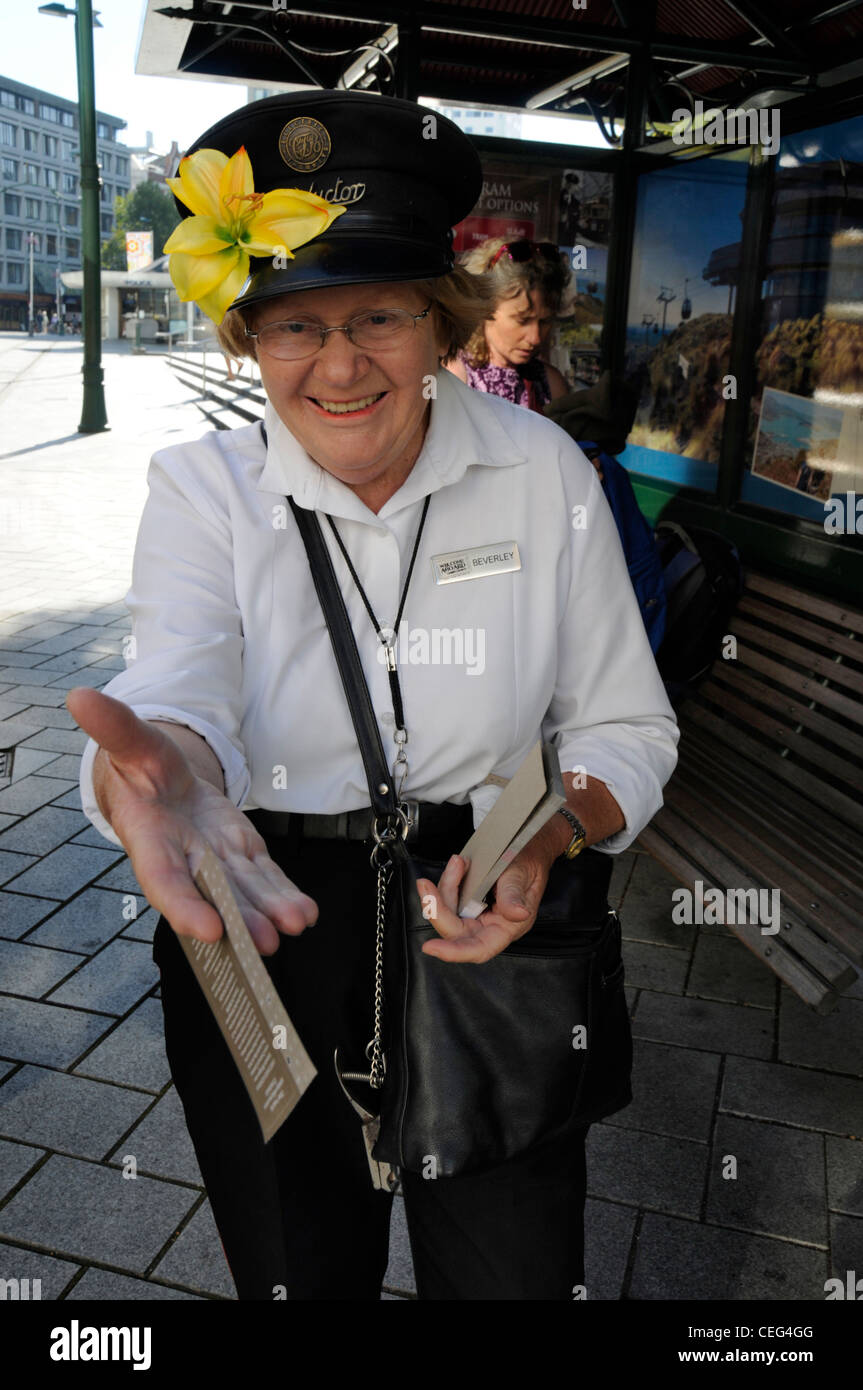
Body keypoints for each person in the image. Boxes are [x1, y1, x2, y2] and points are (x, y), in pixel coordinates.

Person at [68, 91, 678, 1302]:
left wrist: (553, 830)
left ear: (438, 319)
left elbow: (625, 720)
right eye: (294, 326)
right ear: (246, 336)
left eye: (377, 318)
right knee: (294, 1267)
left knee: (511, 1271)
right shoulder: (204, 489)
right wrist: (169, 770)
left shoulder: (539, 469)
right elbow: (180, 675)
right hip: (260, 904)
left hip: (489, 904)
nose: (339, 366)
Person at [446, 236, 571, 410]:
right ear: (486, 306)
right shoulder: (454, 377)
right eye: (522, 320)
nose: (535, 338)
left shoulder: (551, 384)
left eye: (544, 322)